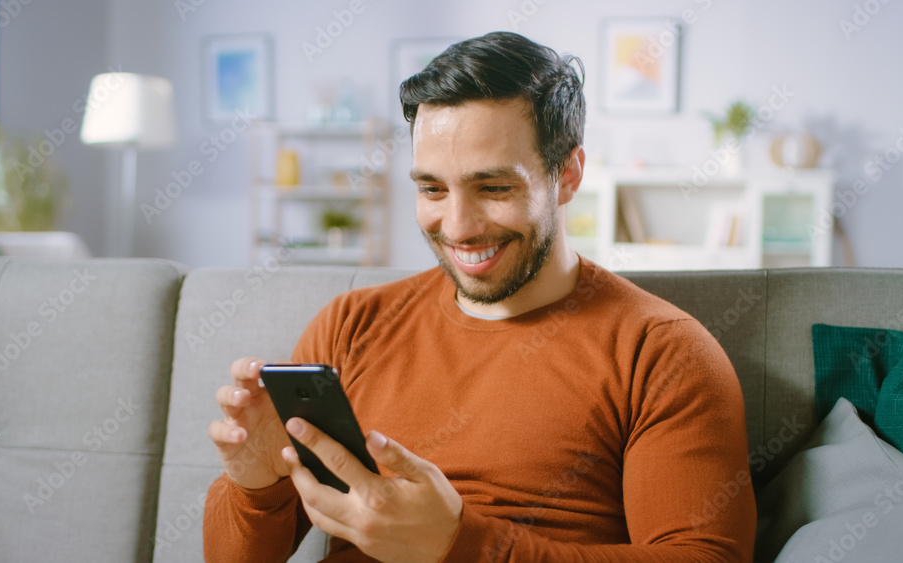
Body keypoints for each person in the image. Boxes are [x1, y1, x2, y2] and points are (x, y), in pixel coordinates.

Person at [204, 31, 756, 562]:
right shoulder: (351, 324)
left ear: (567, 175)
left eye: (493, 188)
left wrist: (459, 546)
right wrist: (254, 485)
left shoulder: (661, 352)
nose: (459, 226)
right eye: (432, 189)